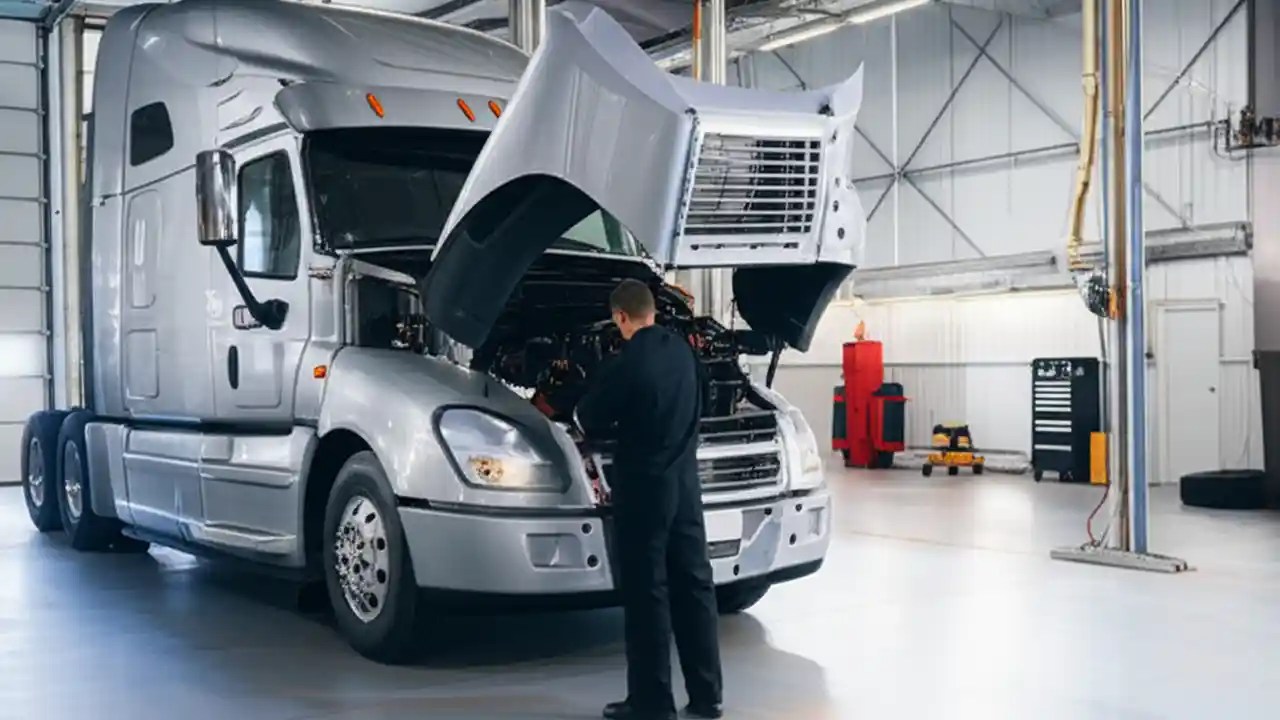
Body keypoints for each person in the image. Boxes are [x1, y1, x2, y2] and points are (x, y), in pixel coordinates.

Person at [577, 279, 724, 720]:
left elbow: (588, 418)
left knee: (648, 594)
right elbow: (708, 401)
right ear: (653, 311)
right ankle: (707, 696)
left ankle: (652, 702)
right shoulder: (685, 353)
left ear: (621, 317)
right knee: (696, 584)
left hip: (645, 489)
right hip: (685, 485)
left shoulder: (627, 362)